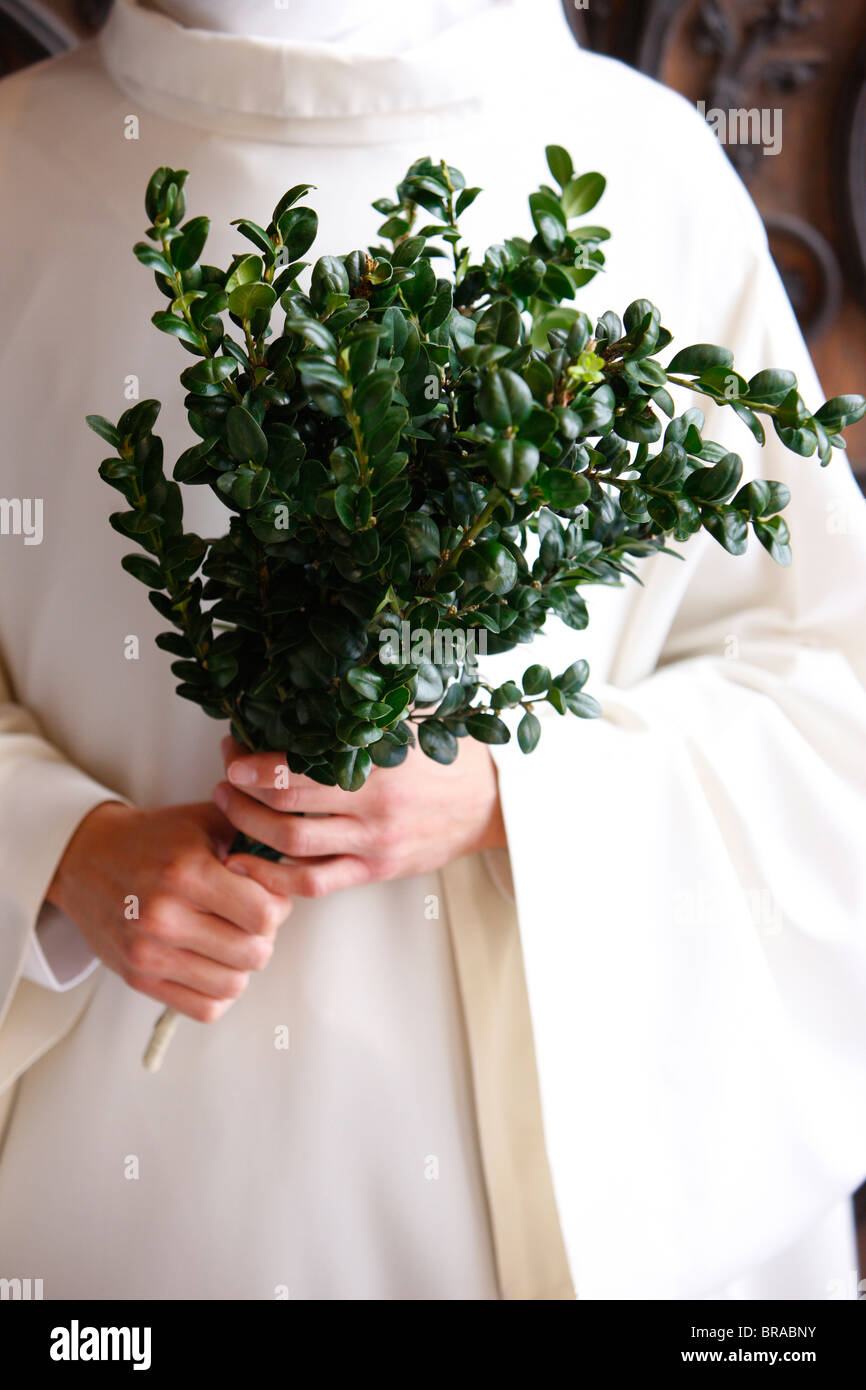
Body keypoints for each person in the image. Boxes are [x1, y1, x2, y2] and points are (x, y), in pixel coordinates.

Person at [0, 0, 864, 1301]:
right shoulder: (17, 173)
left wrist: (515, 789)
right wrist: (61, 848)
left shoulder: (643, 169)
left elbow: (826, 690)